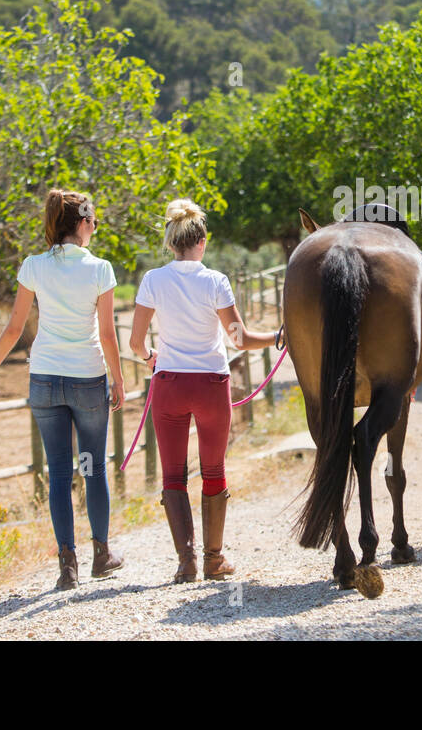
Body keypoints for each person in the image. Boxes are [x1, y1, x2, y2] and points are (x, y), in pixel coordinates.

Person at [0, 189, 126, 591]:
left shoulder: (33, 266)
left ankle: (67, 565)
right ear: (81, 223)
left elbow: (13, 328)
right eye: (93, 220)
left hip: (44, 379)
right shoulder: (100, 269)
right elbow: (108, 335)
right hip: (87, 379)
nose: (95, 227)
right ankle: (102, 553)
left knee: (58, 472)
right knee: (92, 467)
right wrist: (118, 378)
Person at [128, 199, 277, 584]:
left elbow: (135, 341)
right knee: (214, 470)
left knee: (173, 475)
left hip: (169, 385)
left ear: (171, 241)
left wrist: (150, 357)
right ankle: (214, 559)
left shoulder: (152, 281)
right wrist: (279, 337)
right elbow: (239, 339)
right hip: (212, 383)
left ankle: (186, 563)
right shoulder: (215, 281)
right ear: (202, 241)